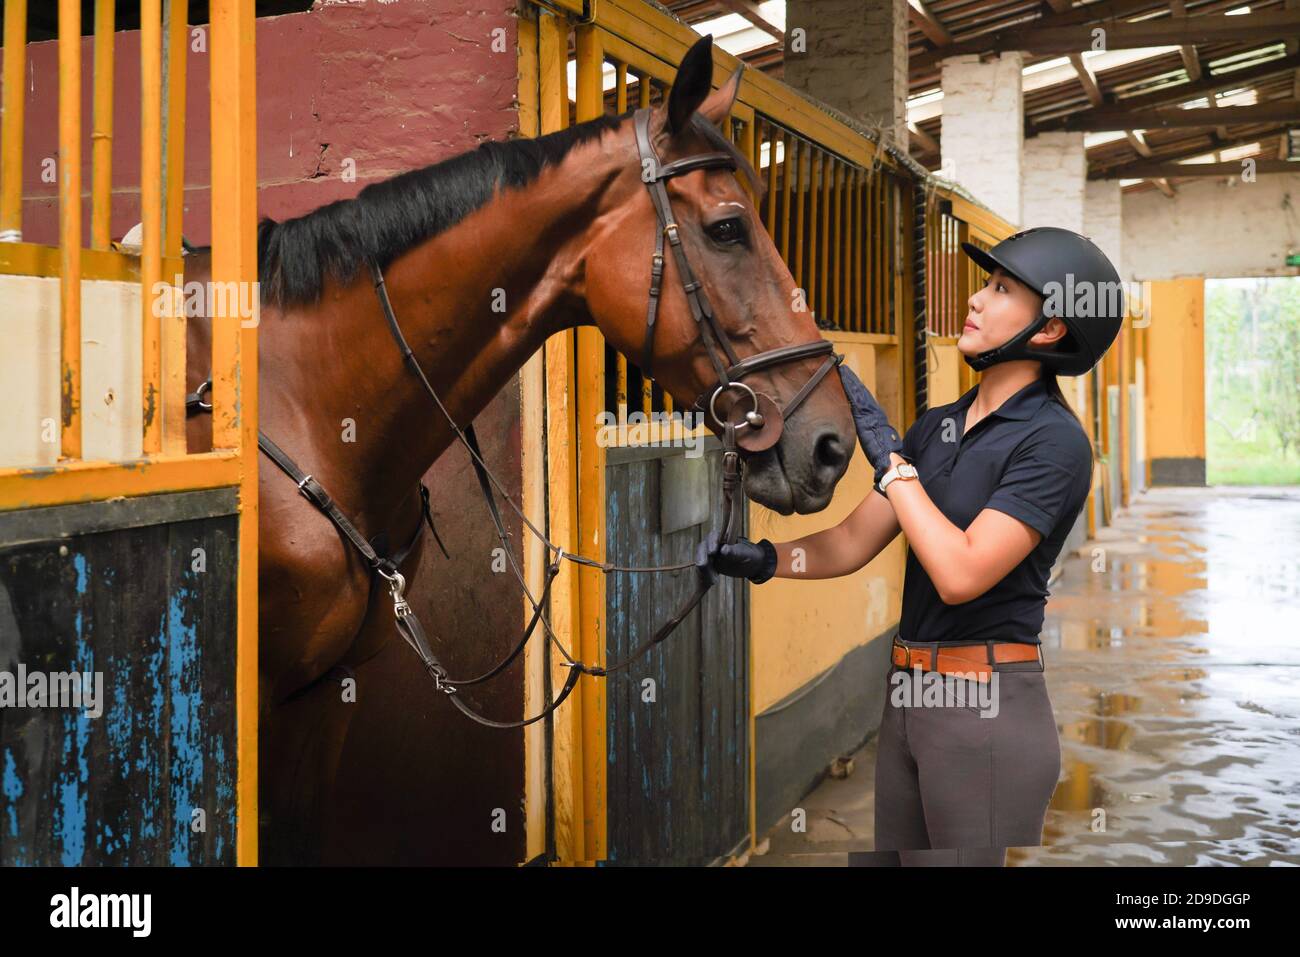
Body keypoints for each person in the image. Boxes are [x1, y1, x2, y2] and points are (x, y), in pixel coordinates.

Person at [701, 226, 1125, 866]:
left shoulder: (1053, 444)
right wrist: (765, 560)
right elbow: (849, 542)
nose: (978, 300)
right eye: (986, 283)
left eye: (1003, 289)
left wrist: (896, 472)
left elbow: (960, 572)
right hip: (909, 694)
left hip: (983, 703)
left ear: (1050, 330)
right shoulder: (939, 427)